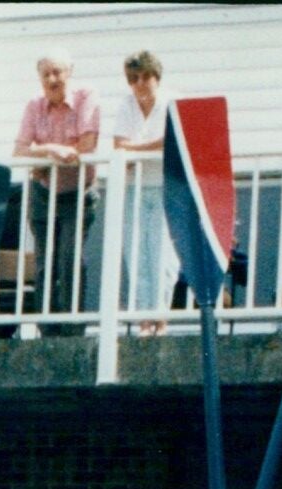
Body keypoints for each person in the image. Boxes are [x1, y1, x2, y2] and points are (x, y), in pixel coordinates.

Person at [14, 50, 101, 318]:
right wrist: (52, 150)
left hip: (77, 195)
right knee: (44, 266)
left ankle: (72, 331)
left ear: (69, 73)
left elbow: (85, 147)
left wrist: (38, 154)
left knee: (70, 261)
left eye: (58, 72)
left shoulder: (86, 97)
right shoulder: (34, 105)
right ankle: (46, 331)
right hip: (43, 193)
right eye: (46, 74)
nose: (52, 79)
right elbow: (19, 152)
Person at [112, 50, 170, 335]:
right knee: (136, 256)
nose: (140, 84)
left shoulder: (172, 102)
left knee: (161, 256)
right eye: (134, 78)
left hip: (164, 187)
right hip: (133, 189)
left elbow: (170, 142)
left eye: (146, 76)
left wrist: (134, 149)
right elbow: (118, 145)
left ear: (156, 77)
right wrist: (142, 148)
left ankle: (160, 319)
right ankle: (143, 321)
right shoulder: (125, 106)